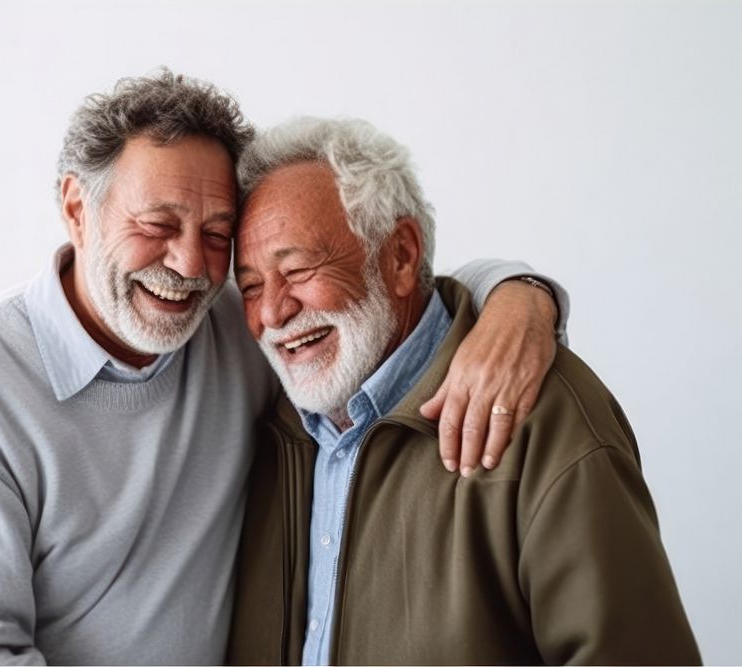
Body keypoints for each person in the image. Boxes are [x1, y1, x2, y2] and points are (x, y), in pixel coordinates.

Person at [0, 71, 566, 665]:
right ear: (77, 209)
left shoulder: (241, 329)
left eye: (215, 236)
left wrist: (519, 295)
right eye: (157, 224)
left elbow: (393, 297)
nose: (189, 266)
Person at [226, 117, 701, 665]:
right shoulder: (270, 427)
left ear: (401, 255)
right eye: (252, 286)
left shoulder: (544, 417)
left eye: (300, 268)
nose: (271, 313)